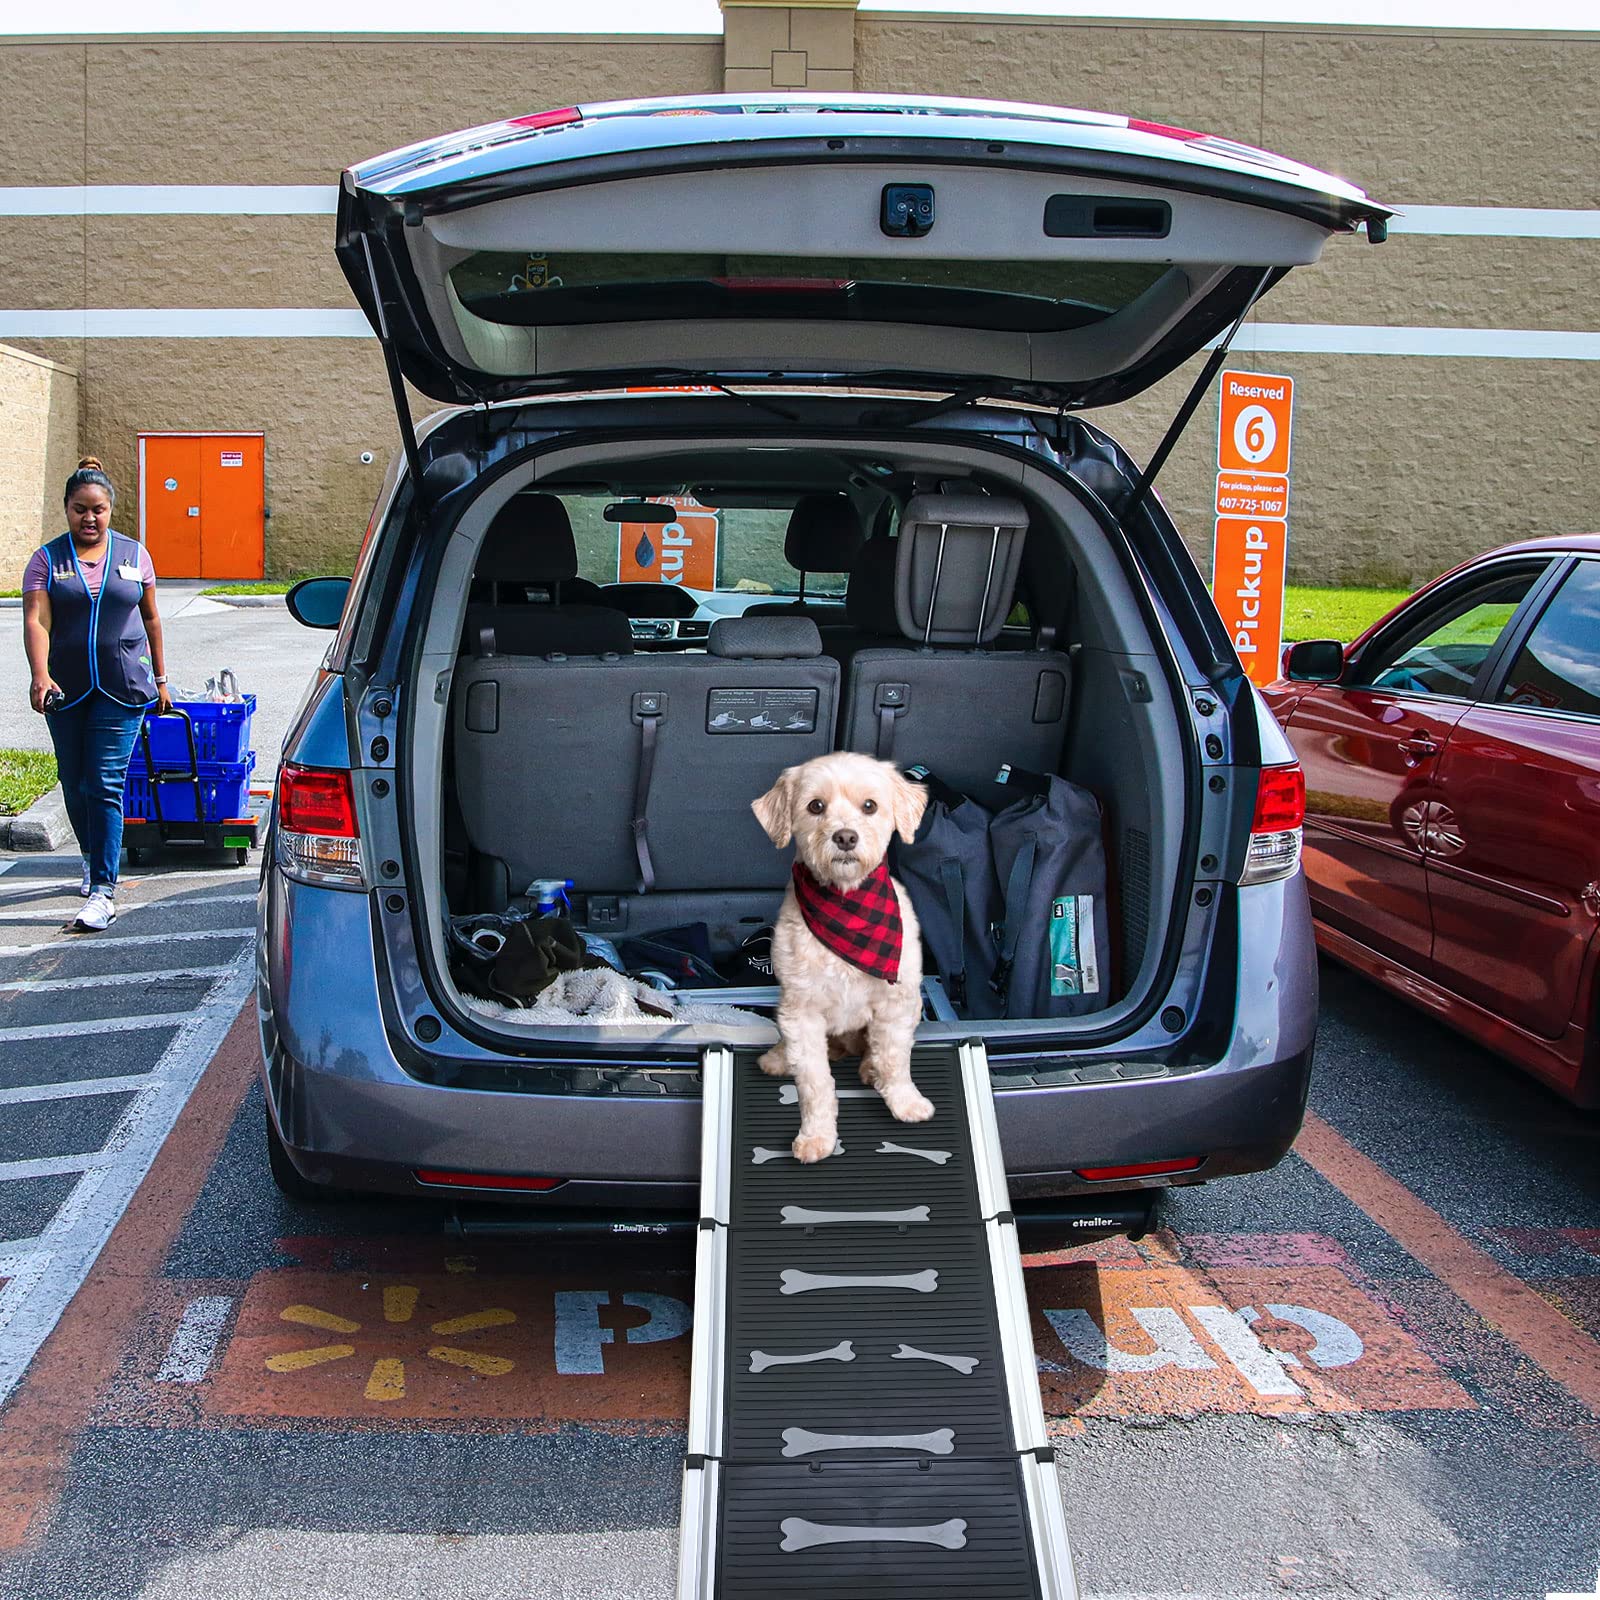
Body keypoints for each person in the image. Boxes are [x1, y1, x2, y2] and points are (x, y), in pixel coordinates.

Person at [21, 457, 173, 931]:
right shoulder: (47, 559)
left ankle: (104, 891)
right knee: (74, 779)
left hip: (122, 686)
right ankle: (90, 857)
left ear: (111, 510)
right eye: (79, 509)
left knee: (105, 782)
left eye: (99, 510)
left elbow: (150, 618)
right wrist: (40, 675)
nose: (90, 518)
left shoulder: (135, 555)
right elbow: (37, 620)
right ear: (66, 509)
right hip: (65, 688)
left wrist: (162, 679)